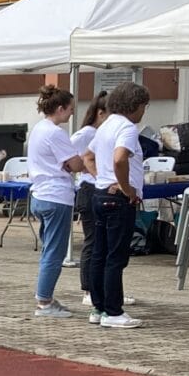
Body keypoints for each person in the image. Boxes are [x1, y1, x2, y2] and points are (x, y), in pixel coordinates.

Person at [81, 81, 148, 329]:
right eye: (144, 106)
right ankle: (113, 311)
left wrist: (102, 177)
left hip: (99, 195)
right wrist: (126, 187)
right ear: (136, 106)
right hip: (119, 199)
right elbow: (120, 158)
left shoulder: (106, 125)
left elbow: (87, 156)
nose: (144, 112)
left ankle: (98, 308)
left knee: (99, 253)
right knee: (115, 257)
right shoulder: (127, 128)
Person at [25, 85, 82, 318]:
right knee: (54, 253)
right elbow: (75, 164)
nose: (71, 114)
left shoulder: (39, 129)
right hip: (56, 195)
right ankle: (45, 301)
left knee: (49, 248)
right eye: (70, 109)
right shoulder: (56, 133)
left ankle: (44, 295)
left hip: (39, 193)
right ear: (60, 108)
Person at [70, 95, 108, 306]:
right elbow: (72, 154)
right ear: (100, 114)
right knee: (92, 241)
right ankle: (88, 290)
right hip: (89, 188)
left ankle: (103, 288)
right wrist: (83, 168)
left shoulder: (104, 132)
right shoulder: (86, 134)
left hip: (98, 188)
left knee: (103, 243)